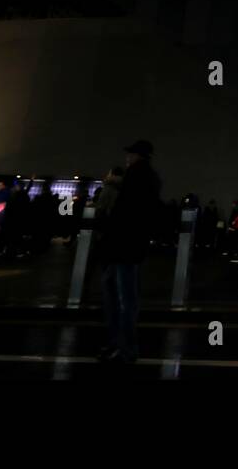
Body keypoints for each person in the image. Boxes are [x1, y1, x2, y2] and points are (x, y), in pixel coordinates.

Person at [97, 139, 159, 364]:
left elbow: (124, 213)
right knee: (123, 296)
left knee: (121, 298)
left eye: (130, 154)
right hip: (131, 247)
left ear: (137, 156)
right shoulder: (147, 178)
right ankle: (121, 345)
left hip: (122, 247)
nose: (127, 157)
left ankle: (123, 346)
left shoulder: (135, 177)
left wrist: (114, 182)